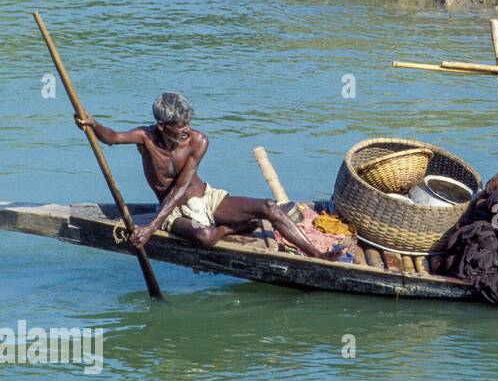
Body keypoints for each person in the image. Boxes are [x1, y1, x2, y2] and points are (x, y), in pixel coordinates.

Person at [75, 91, 341, 259]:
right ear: (161, 126)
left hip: (206, 197)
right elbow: (111, 138)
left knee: (268, 207)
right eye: (180, 126)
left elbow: (181, 187)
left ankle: (316, 253)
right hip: (175, 211)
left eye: (188, 124)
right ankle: (229, 228)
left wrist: (150, 227)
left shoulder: (198, 141)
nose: (186, 131)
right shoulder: (145, 137)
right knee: (205, 237)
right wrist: (92, 123)